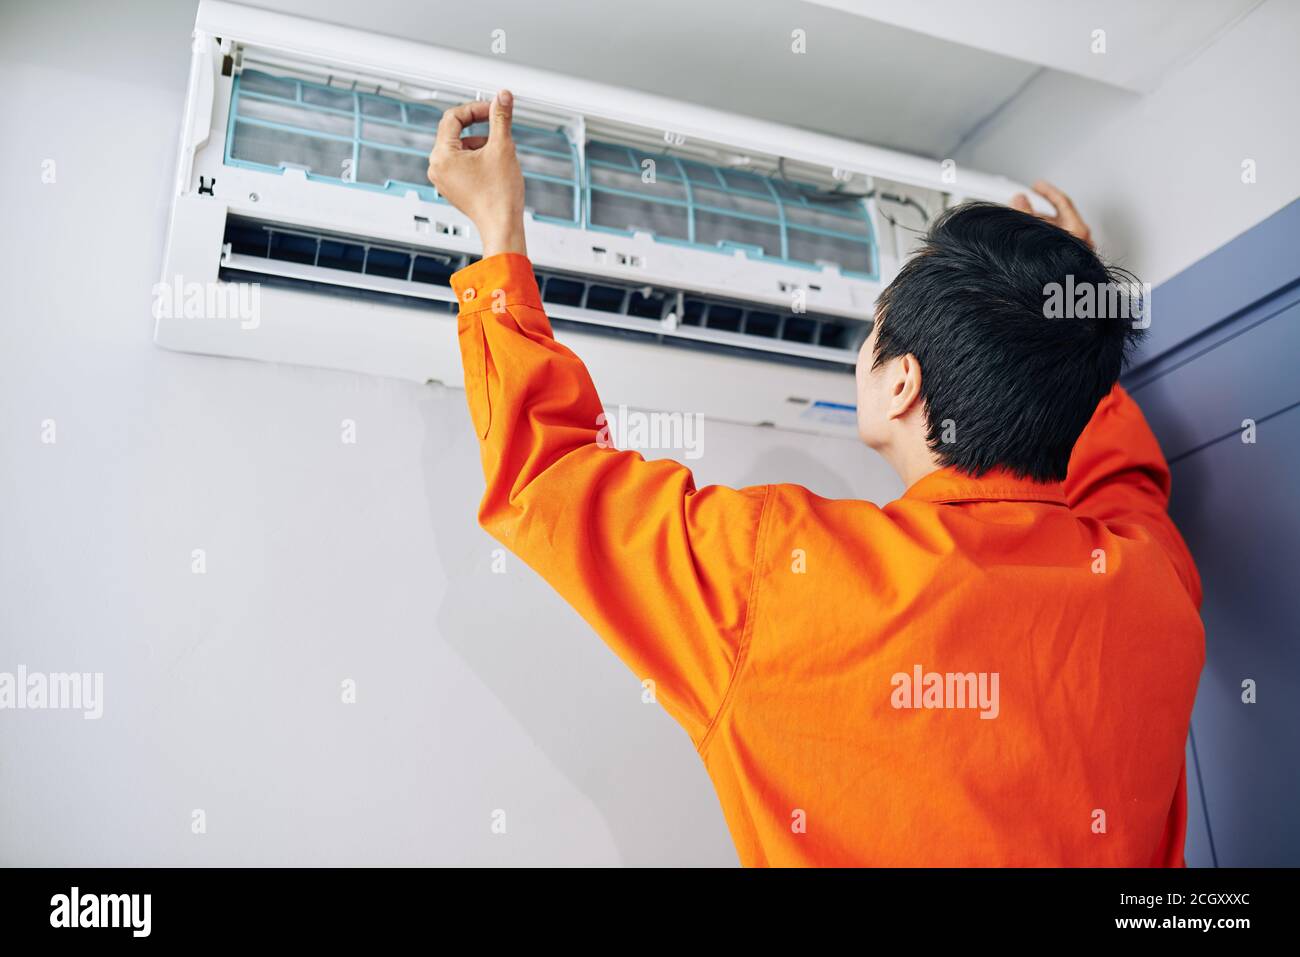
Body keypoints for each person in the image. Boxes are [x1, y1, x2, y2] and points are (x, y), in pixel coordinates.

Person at [425, 91, 1204, 866]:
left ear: (902, 383)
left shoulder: (774, 575)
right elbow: (1118, 475)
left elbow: (550, 477)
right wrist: (1062, 315)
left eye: (873, 328)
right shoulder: (1149, 580)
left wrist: (499, 236)